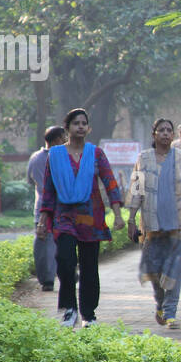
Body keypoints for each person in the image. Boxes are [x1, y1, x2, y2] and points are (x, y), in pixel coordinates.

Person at [37, 107, 125, 328]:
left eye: (84, 123)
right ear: (67, 128)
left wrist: (117, 214)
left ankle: (88, 314)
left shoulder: (96, 154)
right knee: (65, 263)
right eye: (76, 123)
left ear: (89, 128)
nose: (80, 127)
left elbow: (110, 182)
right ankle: (69, 309)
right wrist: (43, 220)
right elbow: (48, 189)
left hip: (91, 219)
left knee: (89, 267)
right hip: (64, 218)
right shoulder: (55, 156)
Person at [126, 118, 181, 330]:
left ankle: (170, 313)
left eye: (169, 130)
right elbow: (137, 191)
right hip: (151, 225)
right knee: (155, 271)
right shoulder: (144, 159)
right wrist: (131, 220)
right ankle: (160, 302)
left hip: (177, 224)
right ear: (154, 135)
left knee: (174, 269)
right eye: (162, 130)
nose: (166, 134)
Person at [27, 125, 66, 291]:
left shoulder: (35, 158)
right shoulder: (62, 157)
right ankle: (65, 273)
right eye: (64, 138)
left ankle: (47, 279)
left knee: (44, 246)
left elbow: (30, 180)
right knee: (62, 243)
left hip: (40, 207)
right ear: (57, 140)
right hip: (60, 208)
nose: (66, 141)